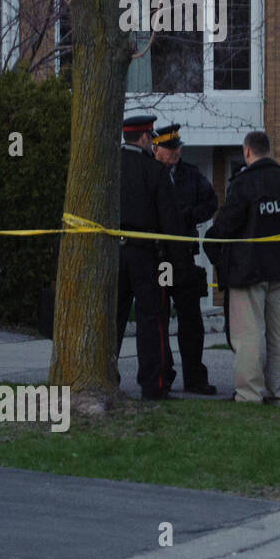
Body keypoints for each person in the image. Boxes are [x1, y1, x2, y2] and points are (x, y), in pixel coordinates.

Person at [205, 131, 280, 404]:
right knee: (279, 333)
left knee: (248, 333)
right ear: (268, 150)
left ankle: (249, 394)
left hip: (248, 270)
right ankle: (277, 391)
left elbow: (226, 224)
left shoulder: (245, 183)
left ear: (247, 152)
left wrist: (210, 245)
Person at [115, 114, 190, 399]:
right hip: (149, 256)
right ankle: (153, 384)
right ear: (146, 138)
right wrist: (178, 265)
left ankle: (106, 376)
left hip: (114, 254)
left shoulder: (109, 167)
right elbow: (171, 222)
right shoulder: (154, 171)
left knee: (113, 319)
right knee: (152, 320)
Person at [153, 123, 219, 395]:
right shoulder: (148, 173)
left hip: (183, 256)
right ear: (156, 148)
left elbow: (211, 203)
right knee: (157, 318)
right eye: (170, 149)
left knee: (191, 319)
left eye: (177, 148)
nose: (175, 153)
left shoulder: (190, 175)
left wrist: (191, 214)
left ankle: (194, 377)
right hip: (157, 257)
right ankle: (162, 375)